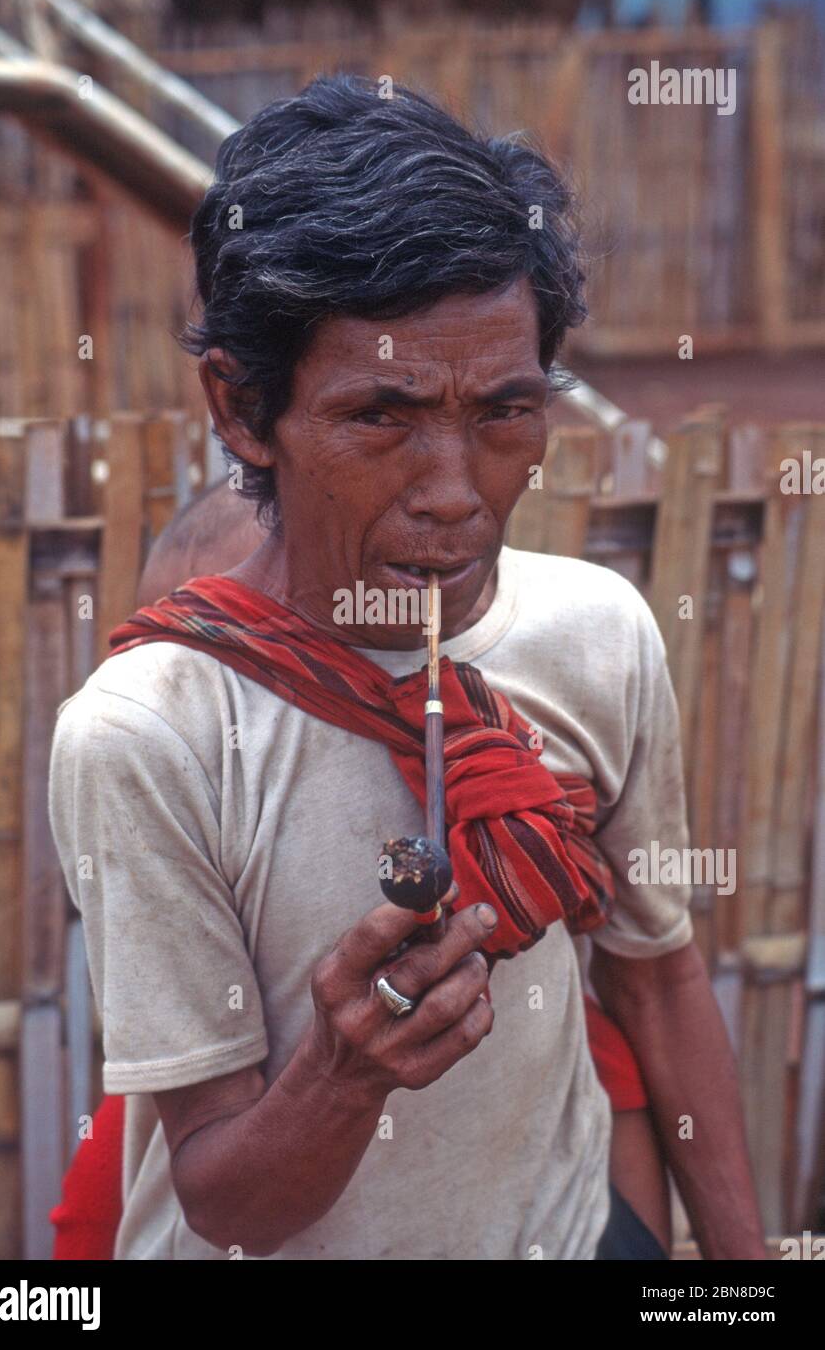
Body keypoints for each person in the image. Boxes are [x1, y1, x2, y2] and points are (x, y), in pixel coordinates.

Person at [48, 74, 765, 1260]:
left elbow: (658, 977)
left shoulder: (598, 635)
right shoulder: (149, 733)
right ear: (240, 405)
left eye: (504, 413)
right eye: (383, 415)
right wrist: (341, 1077)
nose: (455, 489)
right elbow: (224, 1200)